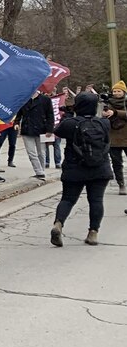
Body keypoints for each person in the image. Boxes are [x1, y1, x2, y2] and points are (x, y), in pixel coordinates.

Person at [50, 91, 113, 246]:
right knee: (96, 200)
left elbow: (57, 131)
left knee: (68, 199)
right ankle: (93, 233)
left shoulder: (70, 123)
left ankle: (58, 224)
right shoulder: (104, 123)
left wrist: (68, 114)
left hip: (74, 167)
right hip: (100, 167)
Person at [18, 90, 55, 181]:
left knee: (41, 152)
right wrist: (16, 122)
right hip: (27, 129)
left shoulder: (45, 99)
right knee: (31, 152)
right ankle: (39, 171)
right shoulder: (24, 99)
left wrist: (50, 129)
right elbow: (19, 113)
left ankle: (41, 170)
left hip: (41, 129)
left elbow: (50, 115)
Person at [105, 81, 127, 196]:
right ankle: (121, 184)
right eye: (114, 91)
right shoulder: (108, 103)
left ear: (124, 92)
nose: (116, 93)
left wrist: (115, 112)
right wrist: (105, 114)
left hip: (126, 136)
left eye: (119, 91)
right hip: (113, 138)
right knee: (117, 163)